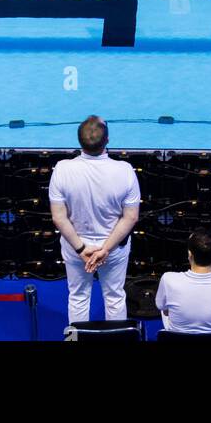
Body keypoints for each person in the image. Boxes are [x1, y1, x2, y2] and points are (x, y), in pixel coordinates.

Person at [49, 115, 141, 325]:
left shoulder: (62, 169)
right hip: (114, 249)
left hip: (76, 248)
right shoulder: (125, 171)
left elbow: (59, 218)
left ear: (79, 142)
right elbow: (131, 217)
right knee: (115, 297)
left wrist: (82, 250)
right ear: (107, 141)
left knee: (78, 298)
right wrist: (105, 249)